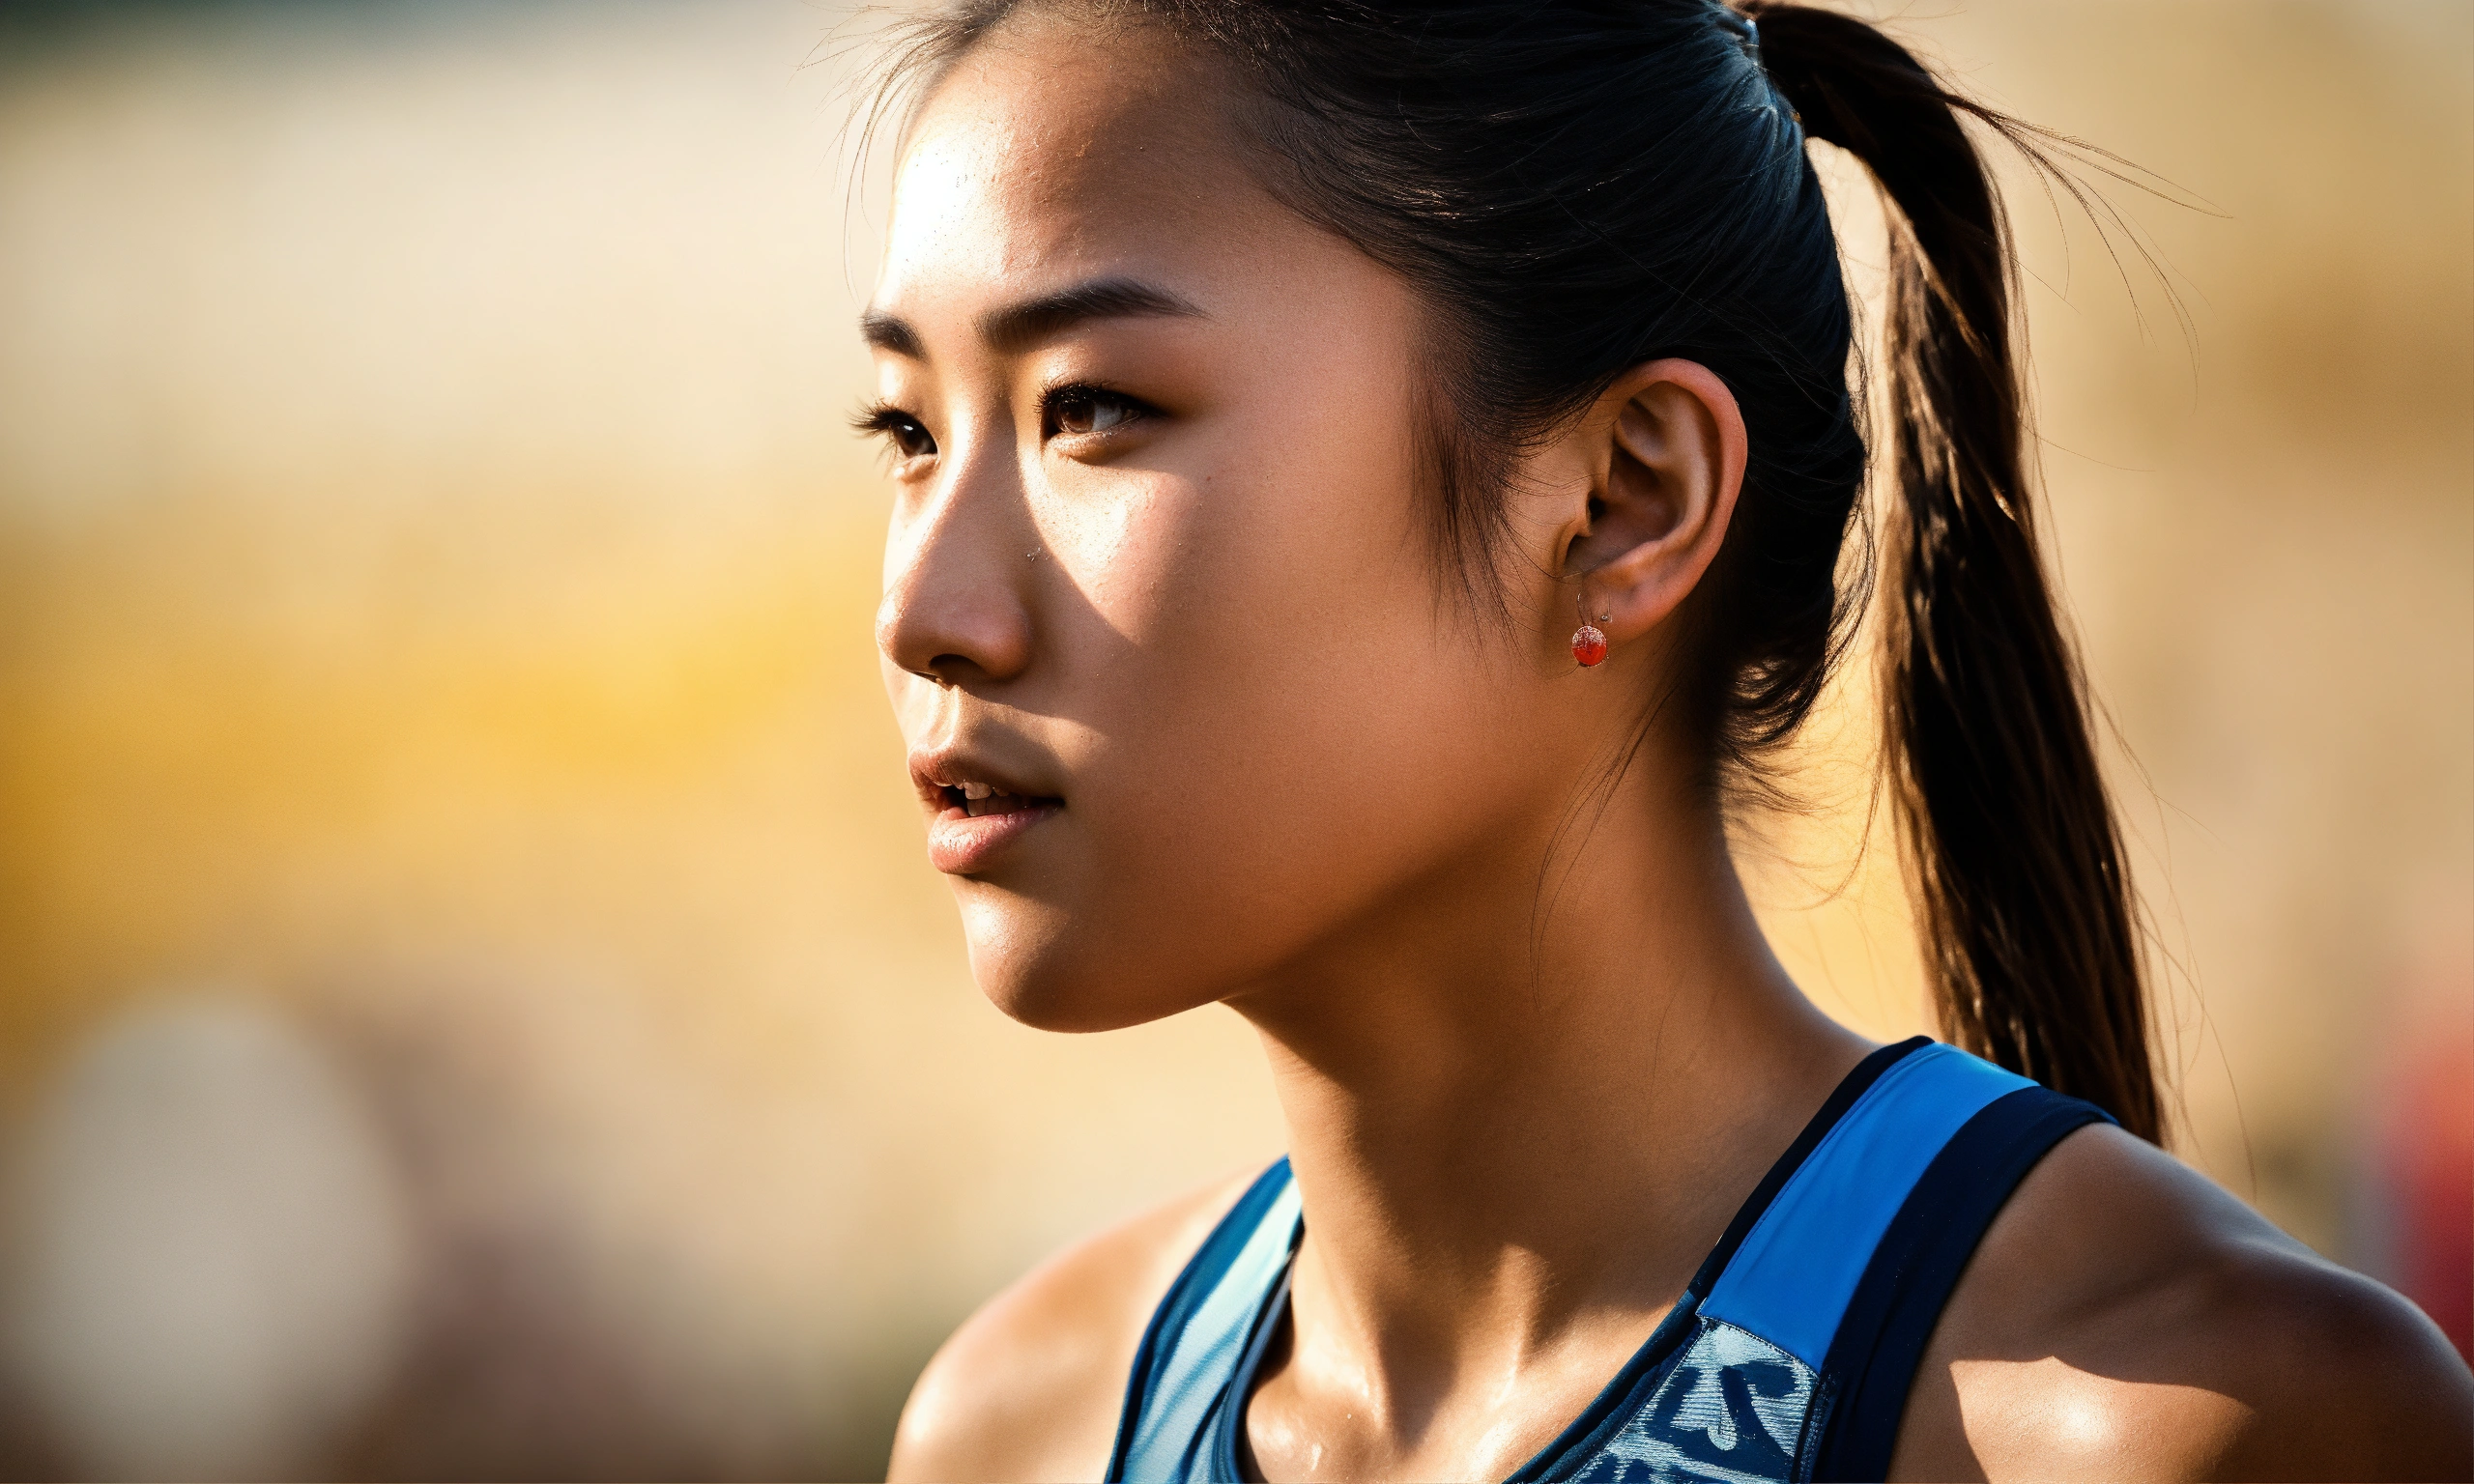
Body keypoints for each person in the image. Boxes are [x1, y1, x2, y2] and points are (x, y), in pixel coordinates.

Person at [851, 2, 2474, 1478]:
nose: (925, 606)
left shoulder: (2175, 1425)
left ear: (1627, 498)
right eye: (909, 433)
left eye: (1094, 408)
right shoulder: (1022, 1433)